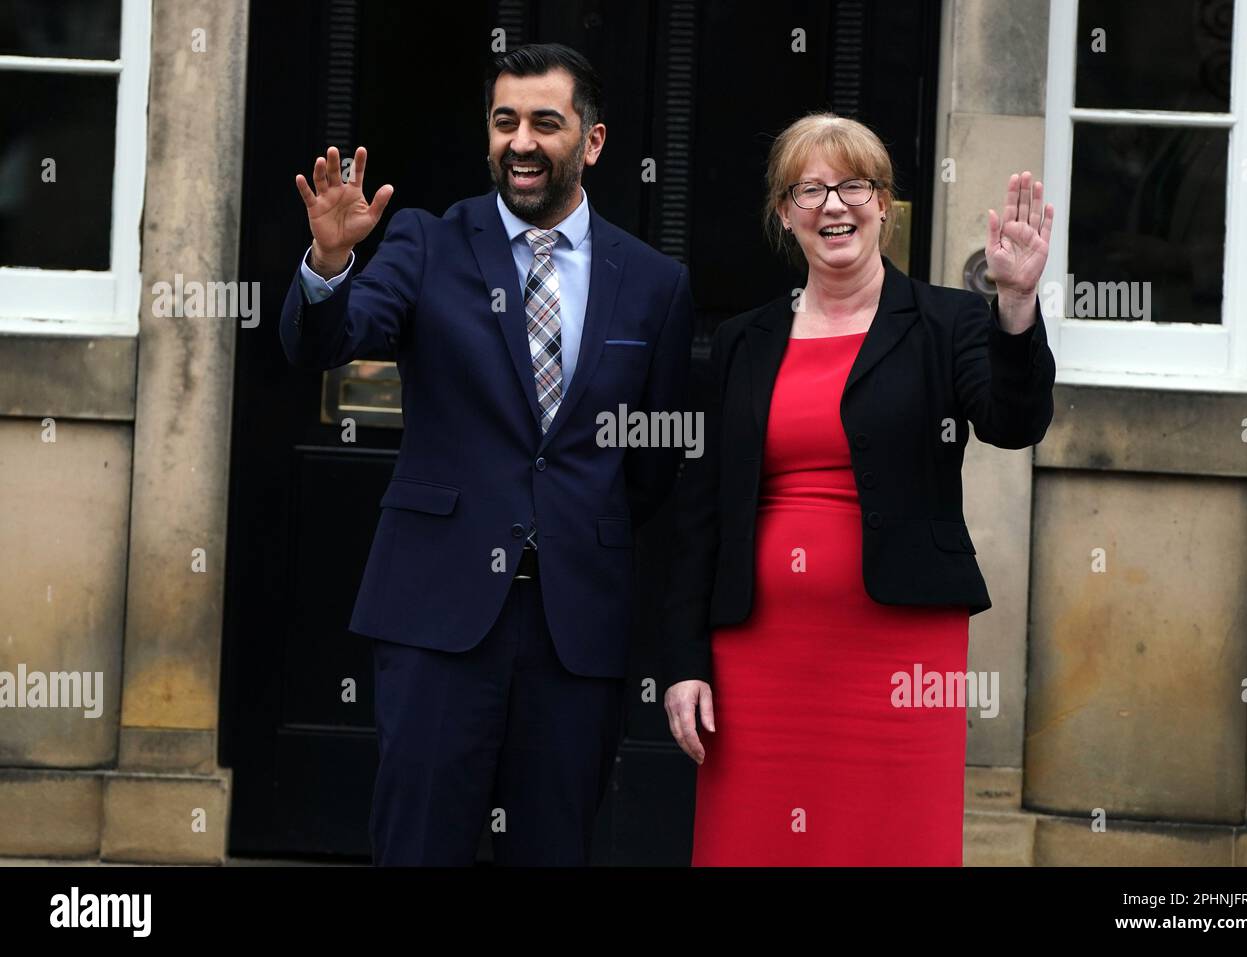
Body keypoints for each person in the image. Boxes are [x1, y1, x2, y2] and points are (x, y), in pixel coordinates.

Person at [280, 43, 693, 865]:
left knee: (555, 849)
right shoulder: (428, 243)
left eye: (546, 121)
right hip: (437, 615)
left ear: (594, 141)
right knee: (419, 845)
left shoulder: (652, 282)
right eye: (505, 122)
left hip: (576, 630)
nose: (522, 142)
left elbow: (653, 463)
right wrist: (329, 265)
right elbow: (329, 340)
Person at [661, 112, 1055, 866]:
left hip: (902, 656)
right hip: (759, 654)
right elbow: (701, 510)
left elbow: (1014, 422)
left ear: (883, 203)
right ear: (785, 213)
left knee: (890, 841)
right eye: (810, 190)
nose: (833, 205)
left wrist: (1014, 307)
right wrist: (683, 659)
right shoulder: (745, 338)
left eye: (853, 185)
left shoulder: (950, 323)